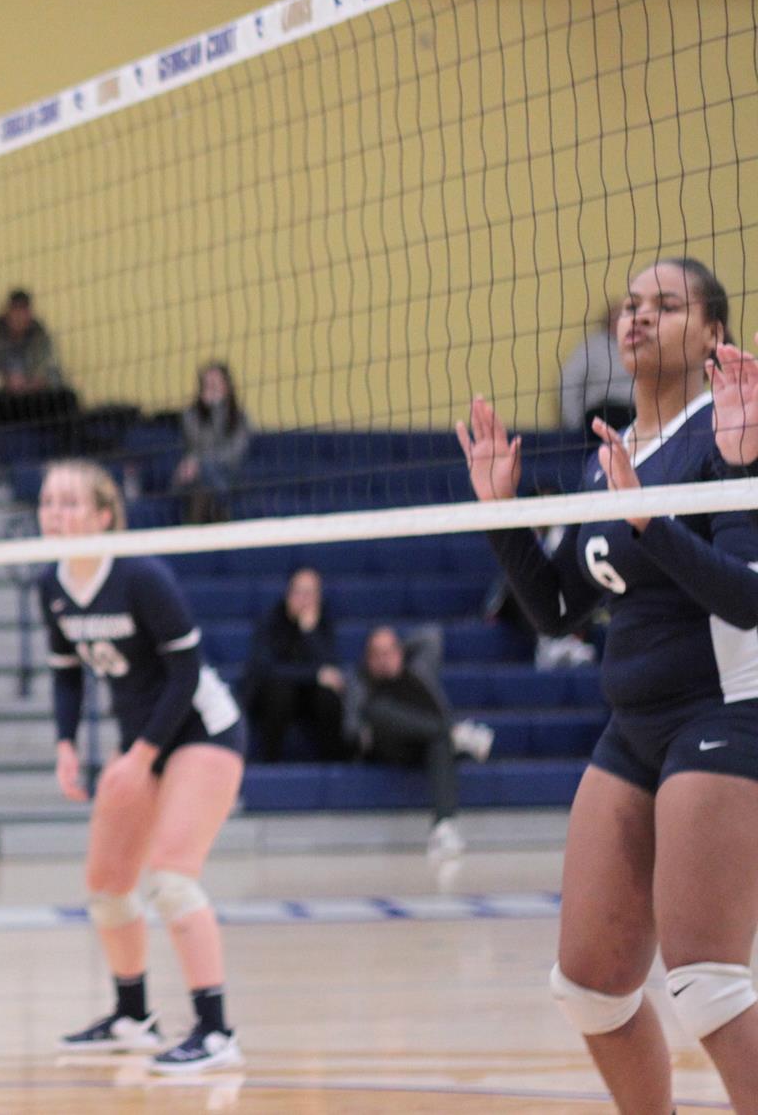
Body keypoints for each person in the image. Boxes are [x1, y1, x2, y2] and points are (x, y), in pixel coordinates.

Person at [458, 256, 758, 1113]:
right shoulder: (613, 456)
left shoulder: (732, 431)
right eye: (631, 304)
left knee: (707, 982)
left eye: (667, 305)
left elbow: (748, 596)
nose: (639, 316)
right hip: (633, 728)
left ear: (714, 333)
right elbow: (558, 609)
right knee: (588, 986)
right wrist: (503, 512)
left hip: (725, 713)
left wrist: (648, 520)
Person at [39, 460, 247, 1073]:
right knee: (107, 887)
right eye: (48, 502)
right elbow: (67, 674)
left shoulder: (141, 575)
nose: (54, 514)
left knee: (173, 879)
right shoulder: (50, 583)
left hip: (201, 731)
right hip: (142, 742)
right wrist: (66, 744)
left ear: (105, 515)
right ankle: (133, 1017)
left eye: (70, 503)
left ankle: (216, 1032)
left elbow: (186, 672)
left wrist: (143, 756)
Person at [343, 625, 494, 861]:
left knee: (438, 741)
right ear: (368, 659)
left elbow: (432, 635)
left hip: (426, 744)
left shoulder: (418, 669)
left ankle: (443, 826)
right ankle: (456, 735)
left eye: (389, 651)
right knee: (378, 711)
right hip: (390, 746)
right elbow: (351, 729)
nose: (383, 659)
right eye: (377, 654)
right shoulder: (361, 681)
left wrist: (398, 652)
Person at [0, 288, 80, 472]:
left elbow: (55, 373)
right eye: (15, 310)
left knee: (68, 399)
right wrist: (4, 382)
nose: (19, 316)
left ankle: (66, 464)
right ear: (7, 312)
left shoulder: (41, 337)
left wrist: (37, 382)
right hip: (3, 401)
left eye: (24, 311)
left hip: (34, 400)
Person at [242, 567, 350, 763]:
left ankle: (332, 765)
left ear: (319, 597)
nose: (304, 599)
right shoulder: (271, 620)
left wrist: (309, 632)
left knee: (329, 696)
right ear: (288, 593)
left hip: (308, 698)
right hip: (274, 696)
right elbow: (266, 669)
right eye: (299, 592)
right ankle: (270, 763)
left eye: (310, 593)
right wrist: (313, 675)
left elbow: (331, 670)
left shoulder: (323, 623)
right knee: (280, 691)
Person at [172, 362, 250, 525]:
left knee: (204, 484)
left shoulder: (240, 418)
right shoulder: (191, 416)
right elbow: (195, 445)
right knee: (199, 484)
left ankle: (195, 530)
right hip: (194, 478)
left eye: (215, 384)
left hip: (226, 475)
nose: (211, 388)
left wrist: (217, 409)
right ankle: (220, 521)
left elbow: (233, 454)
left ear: (227, 386)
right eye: (207, 384)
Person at [561, 297, 635, 435]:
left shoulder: (640, 346)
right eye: (618, 317)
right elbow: (569, 382)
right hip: (605, 411)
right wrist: (575, 424)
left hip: (636, 413)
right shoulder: (593, 346)